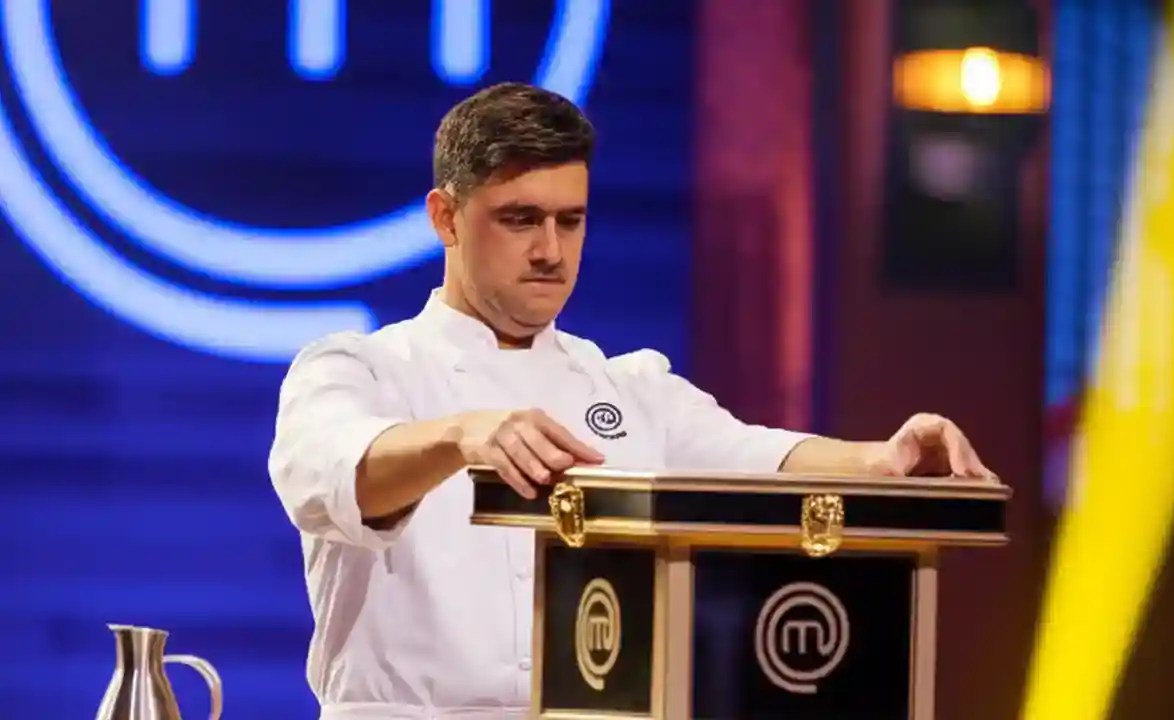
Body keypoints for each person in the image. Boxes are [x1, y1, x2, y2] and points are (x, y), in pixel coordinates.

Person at [268, 81, 995, 719]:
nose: (550, 250)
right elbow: (332, 474)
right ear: (446, 218)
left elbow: (760, 457)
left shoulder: (627, 387)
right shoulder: (355, 368)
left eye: (570, 220)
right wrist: (461, 436)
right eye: (520, 219)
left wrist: (883, 458)